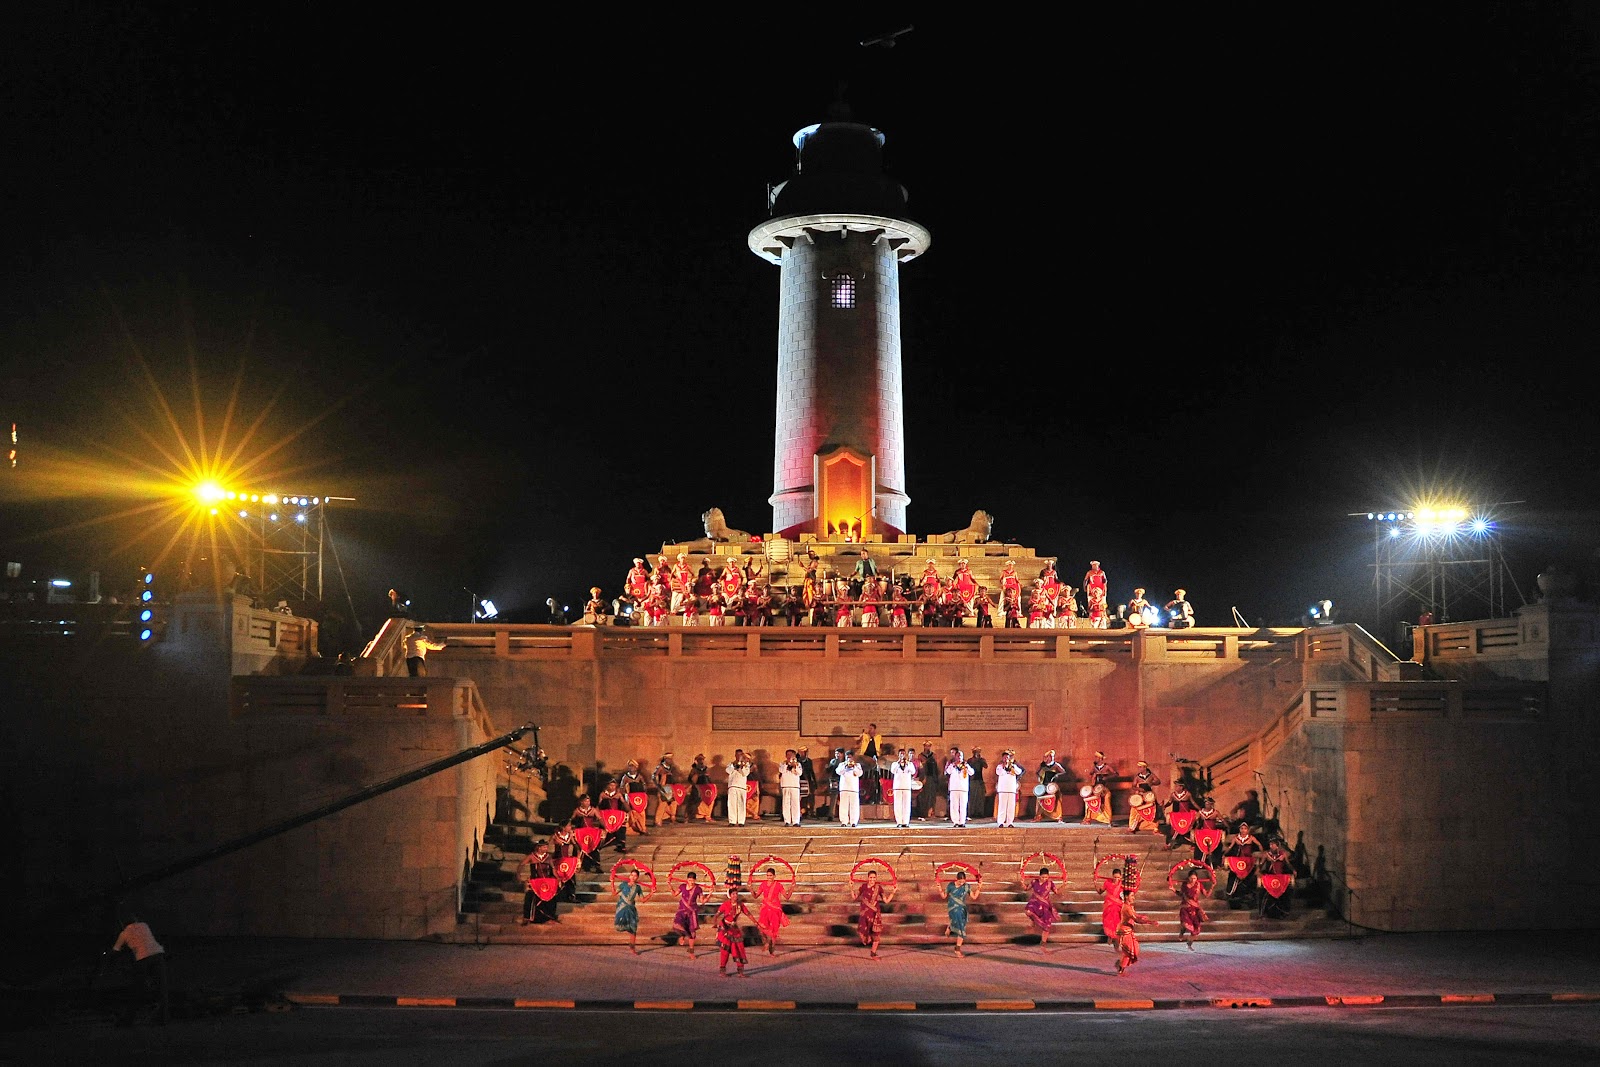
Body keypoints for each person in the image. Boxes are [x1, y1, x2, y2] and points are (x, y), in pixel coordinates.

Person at [110, 915, 169, 1024]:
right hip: (158, 955)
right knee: (162, 988)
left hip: (142, 958)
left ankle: (128, 1019)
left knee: (137, 989)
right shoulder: (144, 925)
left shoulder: (124, 934)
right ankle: (163, 1018)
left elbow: (115, 950)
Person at [851, 869, 895, 959]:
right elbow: (855, 897)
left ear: (876, 878)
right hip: (864, 915)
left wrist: (893, 892)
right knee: (863, 936)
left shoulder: (878, 888)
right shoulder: (863, 886)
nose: (872, 879)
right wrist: (851, 887)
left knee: (876, 935)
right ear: (868, 878)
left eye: (874, 878)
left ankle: (873, 953)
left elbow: (886, 901)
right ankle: (868, 941)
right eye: (870, 877)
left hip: (875, 914)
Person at [937, 869, 979, 956]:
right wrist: (939, 887)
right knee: (961, 929)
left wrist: (979, 887)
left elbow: (974, 897)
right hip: (953, 908)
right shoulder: (951, 885)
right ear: (957, 879)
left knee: (962, 924)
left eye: (963, 881)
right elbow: (944, 896)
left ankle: (950, 927)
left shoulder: (966, 886)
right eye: (960, 881)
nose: (962, 883)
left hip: (962, 908)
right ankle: (957, 949)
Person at [714, 888, 755, 977]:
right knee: (725, 950)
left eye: (736, 894)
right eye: (733, 894)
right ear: (730, 895)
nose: (735, 895)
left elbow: (748, 914)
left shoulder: (740, 905)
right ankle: (722, 971)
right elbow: (717, 915)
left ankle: (741, 972)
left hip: (734, 929)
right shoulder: (725, 904)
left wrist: (756, 923)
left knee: (739, 949)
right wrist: (715, 923)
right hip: (725, 928)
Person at [518, 840, 560, 925]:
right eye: (544, 847)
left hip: (546, 882)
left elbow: (552, 868)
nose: (546, 848)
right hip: (535, 881)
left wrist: (558, 878)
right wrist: (519, 876)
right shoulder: (532, 856)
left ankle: (549, 917)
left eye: (547, 847)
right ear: (539, 848)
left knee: (551, 898)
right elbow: (521, 865)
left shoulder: (548, 857)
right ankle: (527, 918)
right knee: (530, 897)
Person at [1112, 892, 1155, 974]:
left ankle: (1120, 966)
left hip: (1129, 931)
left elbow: (1135, 915)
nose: (1133, 897)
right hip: (1124, 932)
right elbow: (1136, 919)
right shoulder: (1126, 908)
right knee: (1130, 951)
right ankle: (1120, 967)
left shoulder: (1130, 907)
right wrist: (1149, 922)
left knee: (1135, 950)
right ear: (1126, 897)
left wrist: (1141, 916)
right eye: (1132, 896)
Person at [755, 867, 791, 955]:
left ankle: (772, 952)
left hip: (775, 909)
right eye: (767, 875)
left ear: (774, 876)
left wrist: (792, 888)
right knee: (760, 927)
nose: (769, 877)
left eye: (770, 875)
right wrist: (750, 888)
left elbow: (787, 897)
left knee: (774, 930)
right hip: (765, 909)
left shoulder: (778, 885)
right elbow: (756, 896)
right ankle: (766, 942)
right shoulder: (763, 884)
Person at [1225, 824, 1263, 905]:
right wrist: (1224, 854)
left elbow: (1259, 844)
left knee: (1250, 876)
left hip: (1248, 861)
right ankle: (1233, 894)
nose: (1243, 830)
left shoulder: (1251, 838)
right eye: (1242, 828)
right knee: (1233, 874)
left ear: (1248, 830)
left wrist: (1262, 852)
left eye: (1245, 828)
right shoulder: (1236, 838)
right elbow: (1230, 847)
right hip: (1238, 860)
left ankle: (1248, 895)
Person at [672, 871, 704, 958]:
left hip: (692, 912)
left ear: (695, 880)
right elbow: (674, 894)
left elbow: (702, 901)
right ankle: (681, 935)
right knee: (678, 925)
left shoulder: (698, 889)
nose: (691, 882)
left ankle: (691, 952)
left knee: (692, 933)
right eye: (689, 880)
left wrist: (710, 894)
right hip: (682, 911)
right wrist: (669, 885)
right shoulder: (682, 886)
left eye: (693, 880)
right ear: (687, 880)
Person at [1024, 866, 1057, 950]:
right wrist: (1022, 883)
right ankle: (1033, 921)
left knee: (1047, 926)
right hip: (1034, 903)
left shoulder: (1050, 884)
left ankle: (1043, 943)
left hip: (1045, 905)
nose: (1044, 879)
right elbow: (1026, 888)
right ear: (1039, 876)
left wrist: (1064, 885)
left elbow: (1057, 892)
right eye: (1043, 877)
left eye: (1046, 877)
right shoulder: (1034, 882)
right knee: (1028, 911)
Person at [614, 866, 644, 953]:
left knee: (633, 930)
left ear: (637, 877)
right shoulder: (623, 884)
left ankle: (632, 948)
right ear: (629, 876)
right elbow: (614, 892)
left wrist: (652, 893)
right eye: (631, 875)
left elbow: (643, 900)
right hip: (622, 907)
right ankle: (627, 928)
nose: (633, 877)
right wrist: (612, 882)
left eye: (635, 876)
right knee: (618, 926)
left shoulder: (637, 887)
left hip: (631, 909)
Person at [1177, 868, 1210, 949]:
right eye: (1191, 878)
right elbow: (1181, 894)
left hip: (1195, 908)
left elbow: (1206, 895)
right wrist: (1173, 889)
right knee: (1185, 924)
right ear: (1188, 878)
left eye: (1195, 878)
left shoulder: (1199, 885)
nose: (1193, 880)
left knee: (1196, 929)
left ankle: (1189, 944)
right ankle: (1181, 933)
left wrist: (1212, 886)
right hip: (1185, 907)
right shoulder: (1185, 885)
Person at [571, 795, 604, 871]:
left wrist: (605, 827)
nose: (588, 802)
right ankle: (582, 865)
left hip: (591, 833)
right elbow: (571, 820)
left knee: (594, 847)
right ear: (581, 802)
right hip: (581, 833)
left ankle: (597, 866)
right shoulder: (577, 811)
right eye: (586, 801)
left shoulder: (594, 810)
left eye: (588, 801)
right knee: (580, 848)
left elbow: (600, 819)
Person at [888, 749, 920, 828]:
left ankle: (906, 822)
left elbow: (913, 771)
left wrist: (907, 764)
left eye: (903, 754)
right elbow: (893, 771)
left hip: (906, 786)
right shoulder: (894, 764)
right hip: (897, 787)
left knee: (906, 805)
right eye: (900, 754)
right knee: (898, 805)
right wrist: (899, 763)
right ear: (898, 755)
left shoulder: (909, 764)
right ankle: (899, 821)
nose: (902, 755)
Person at [1032, 750, 1066, 822]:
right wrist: (1039, 777)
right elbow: (1036, 772)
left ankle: (1059, 817)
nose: (1051, 758)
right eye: (1049, 756)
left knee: (1057, 800)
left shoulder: (1056, 765)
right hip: (1043, 784)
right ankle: (1038, 816)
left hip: (1052, 785)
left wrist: (1057, 775)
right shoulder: (1042, 765)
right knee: (1040, 799)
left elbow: (1063, 772)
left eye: (1052, 756)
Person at [596, 778, 629, 853]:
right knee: (603, 829)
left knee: (621, 828)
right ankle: (601, 844)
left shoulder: (618, 794)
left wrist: (629, 811)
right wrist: (598, 814)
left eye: (614, 785)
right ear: (607, 786)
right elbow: (599, 805)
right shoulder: (603, 794)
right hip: (606, 815)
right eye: (611, 785)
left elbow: (624, 803)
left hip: (617, 815)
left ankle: (621, 845)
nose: (612, 787)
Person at [550, 822, 580, 901]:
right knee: (557, 878)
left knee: (571, 878)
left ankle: (571, 896)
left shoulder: (570, 836)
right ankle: (557, 896)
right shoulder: (555, 836)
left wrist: (578, 857)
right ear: (563, 828)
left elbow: (576, 846)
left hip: (568, 861)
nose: (570, 827)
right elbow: (549, 847)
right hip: (558, 860)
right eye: (569, 826)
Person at [618, 759, 649, 837]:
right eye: (630, 767)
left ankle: (642, 828)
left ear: (636, 768)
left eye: (633, 767)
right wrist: (625, 795)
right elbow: (621, 787)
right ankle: (630, 828)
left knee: (641, 812)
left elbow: (644, 785)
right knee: (632, 813)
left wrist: (644, 790)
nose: (632, 768)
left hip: (639, 798)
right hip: (630, 797)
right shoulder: (625, 777)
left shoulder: (640, 776)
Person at [993, 750, 1023, 827]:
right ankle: (1001, 822)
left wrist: (1012, 767)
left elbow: (1019, 772)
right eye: (1005, 758)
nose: (1006, 759)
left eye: (1007, 758)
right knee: (1002, 806)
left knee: (1011, 806)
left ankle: (1010, 822)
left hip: (1011, 789)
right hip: (1003, 789)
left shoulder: (1013, 766)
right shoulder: (999, 766)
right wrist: (1004, 767)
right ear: (1002, 758)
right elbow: (999, 773)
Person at [856, 724, 883, 804]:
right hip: (865, 758)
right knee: (864, 776)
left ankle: (876, 797)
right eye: (869, 728)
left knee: (876, 776)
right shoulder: (865, 736)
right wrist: (861, 736)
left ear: (874, 729)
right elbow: (858, 742)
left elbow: (880, 746)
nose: (869, 730)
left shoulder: (878, 737)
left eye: (871, 728)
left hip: (875, 758)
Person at [835, 751, 863, 827]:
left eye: (850, 757)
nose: (849, 759)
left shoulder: (857, 765)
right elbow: (838, 771)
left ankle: (854, 821)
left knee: (854, 806)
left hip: (854, 789)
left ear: (853, 758)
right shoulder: (842, 764)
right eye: (847, 757)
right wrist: (845, 766)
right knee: (843, 805)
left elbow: (859, 774)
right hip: (844, 788)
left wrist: (853, 767)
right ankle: (844, 821)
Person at [945, 749, 973, 827]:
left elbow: (972, 772)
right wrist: (953, 765)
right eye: (958, 756)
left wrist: (966, 767)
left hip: (963, 788)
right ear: (955, 757)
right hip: (954, 788)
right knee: (954, 806)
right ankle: (955, 821)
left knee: (963, 806)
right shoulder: (952, 765)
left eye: (961, 756)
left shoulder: (966, 765)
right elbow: (948, 771)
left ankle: (962, 822)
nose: (959, 757)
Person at [726, 750, 752, 827]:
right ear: (735, 755)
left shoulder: (746, 765)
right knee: (731, 804)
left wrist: (741, 766)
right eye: (737, 755)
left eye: (740, 755)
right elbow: (728, 771)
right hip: (732, 786)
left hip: (742, 787)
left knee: (741, 804)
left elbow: (745, 773)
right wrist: (735, 765)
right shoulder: (731, 764)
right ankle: (732, 821)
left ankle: (741, 821)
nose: (739, 756)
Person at [653, 754, 680, 825]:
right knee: (663, 803)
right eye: (669, 759)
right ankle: (657, 821)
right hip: (664, 787)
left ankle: (672, 818)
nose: (671, 760)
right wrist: (658, 786)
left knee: (673, 803)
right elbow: (654, 777)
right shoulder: (660, 767)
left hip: (671, 787)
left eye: (671, 759)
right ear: (665, 759)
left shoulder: (672, 768)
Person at [778, 750, 803, 826]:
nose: (789, 756)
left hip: (795, 786)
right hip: (785, 785)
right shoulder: (782, 763)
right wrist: (787, 764)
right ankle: (787, 821)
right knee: (786, 804)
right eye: (788, 755)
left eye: (791, 755)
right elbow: (781, 770)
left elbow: (799, 773)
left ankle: (796, 821)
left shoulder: (798, 764)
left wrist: (794, 766)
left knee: (795, 804)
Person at [917, 743, 941, 821]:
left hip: (932, 778)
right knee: (925, 796)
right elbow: (920, 768)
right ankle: (924, 812)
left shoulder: (933, 755)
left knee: (932, 796)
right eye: (926, 746)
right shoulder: (920, 756)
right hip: (924, 778)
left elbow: (936, 768)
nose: (927, 747)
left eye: (929, 746)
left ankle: (931, 812)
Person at [690, 754, 715, 823]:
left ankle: (707, 815)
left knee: (709, 800)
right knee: (697, 801)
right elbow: (691, 779)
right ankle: (696, 815)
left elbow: (709, 778)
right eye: (699, 760)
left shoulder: (706, 768)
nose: (701, 761)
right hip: (698, 786)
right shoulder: (694, 769)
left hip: (706, 787)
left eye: (702, 759)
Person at [966, 747, 989, 819]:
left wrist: (980, 760)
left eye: (978, 751)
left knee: (980, 797)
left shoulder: (981, 760)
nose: (977, 753)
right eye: (975, 751)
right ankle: (971, 812)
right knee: (972, 797)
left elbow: (986, 766)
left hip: (980, 780)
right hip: (972, 780)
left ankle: (980, 812)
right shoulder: (970, 760)